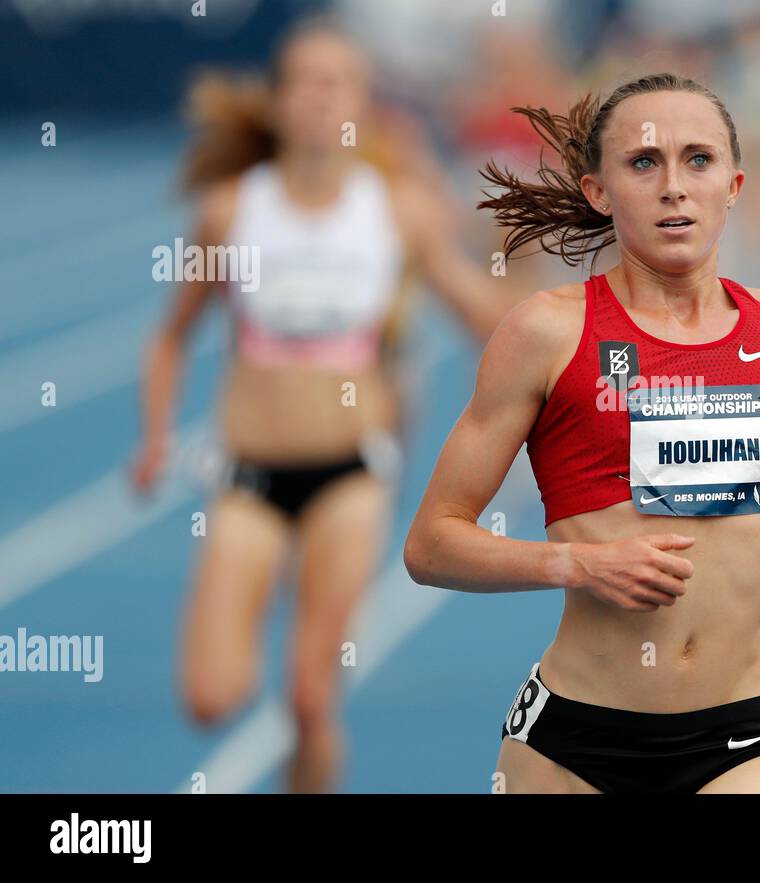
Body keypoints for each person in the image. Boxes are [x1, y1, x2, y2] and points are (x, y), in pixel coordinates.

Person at [404, 73, 760, 794]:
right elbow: (431, 544)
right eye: (643, 162)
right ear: (600, 191)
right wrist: (576, 565)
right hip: (575, 744)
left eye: (699, 160)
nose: (673, 187)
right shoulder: (546, 333)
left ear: (735, 185)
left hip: (742, 738)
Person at [130, 18, 513, 793]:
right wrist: (155, 438)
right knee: (210, 697)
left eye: (335, 82)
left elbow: (484, 316)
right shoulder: (232, 212)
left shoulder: (398, 211)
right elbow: (169, 337)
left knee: (310, 695)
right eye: (302, 81)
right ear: (277, 102)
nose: (316, 98)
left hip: (351, 475)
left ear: (363, 105)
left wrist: (580, 352)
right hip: (247, 476)